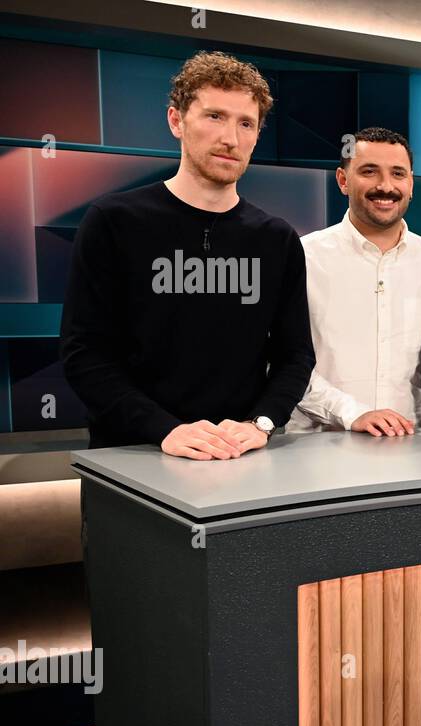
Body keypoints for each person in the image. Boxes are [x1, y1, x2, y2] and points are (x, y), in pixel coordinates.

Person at [59, 50, 314, 458]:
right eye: (215, 116)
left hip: (240, 456)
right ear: (176, 120)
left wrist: (262, 424)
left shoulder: (277, 238)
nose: (230, 138)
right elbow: (84, 354)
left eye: (246, 123)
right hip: (135, 455)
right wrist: (165, 430)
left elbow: (296, 354)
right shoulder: (114, 221)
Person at [287, 127, 421, 437]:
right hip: (320, 445)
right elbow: (282, 362)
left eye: (398, 174)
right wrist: (353, 413)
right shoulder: (301, 256)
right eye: (369, 172)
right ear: (342, 180)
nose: (385, 186)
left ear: (411, 183)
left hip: (415, 446)